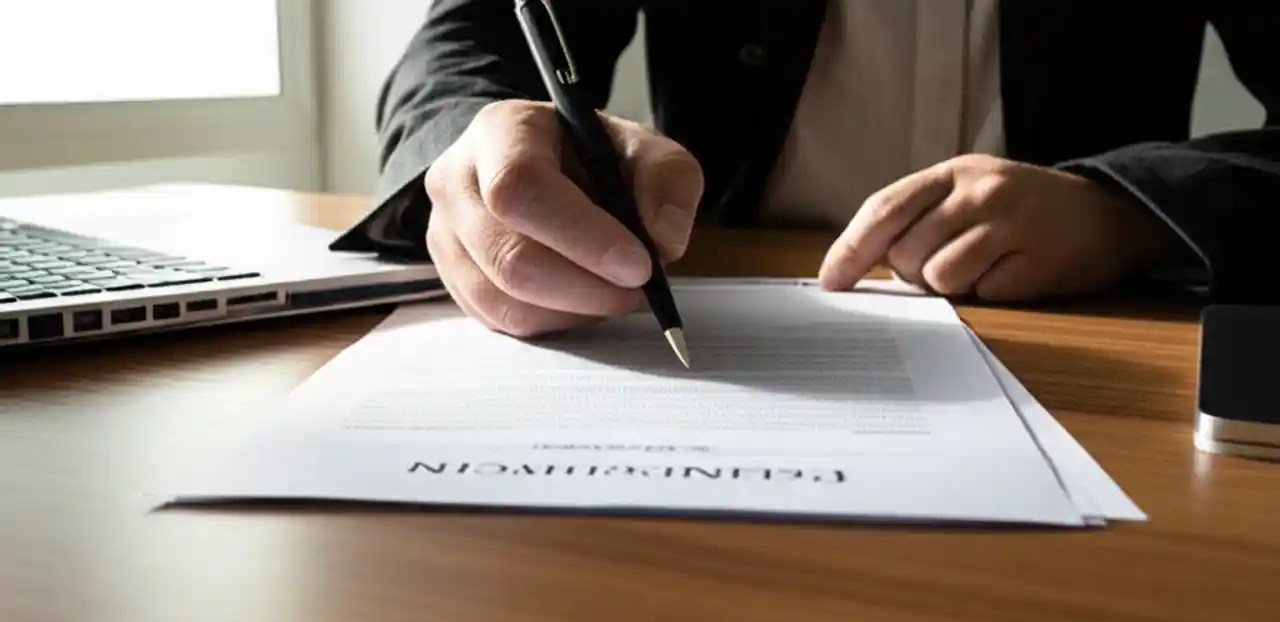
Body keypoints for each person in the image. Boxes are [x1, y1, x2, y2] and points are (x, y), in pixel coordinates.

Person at [332, 0, 1280, 338]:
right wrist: (472, 142)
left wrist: (1129, 210)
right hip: (720, 287)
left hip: (1102, 339)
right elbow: (473, 37)